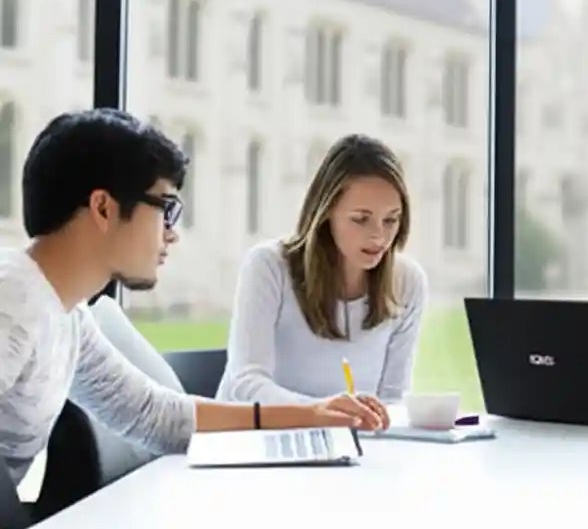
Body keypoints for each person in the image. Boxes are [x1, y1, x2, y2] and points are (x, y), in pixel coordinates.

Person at [0, 109, 387, 488]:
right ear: (103, 207)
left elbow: (153, 415)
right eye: (165, 209)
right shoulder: (14, 301)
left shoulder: (66, 314)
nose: (172, 233)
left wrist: (312, 414)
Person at [218, 135, 426, 404]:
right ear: (326, 212)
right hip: (254, 439)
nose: (379, 236)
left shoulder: (408, 282)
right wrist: (322, 412)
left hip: (349, 443)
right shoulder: (268, 266)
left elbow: (393, 398)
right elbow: (245, 383)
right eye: (361, 219)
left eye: (391, 220)